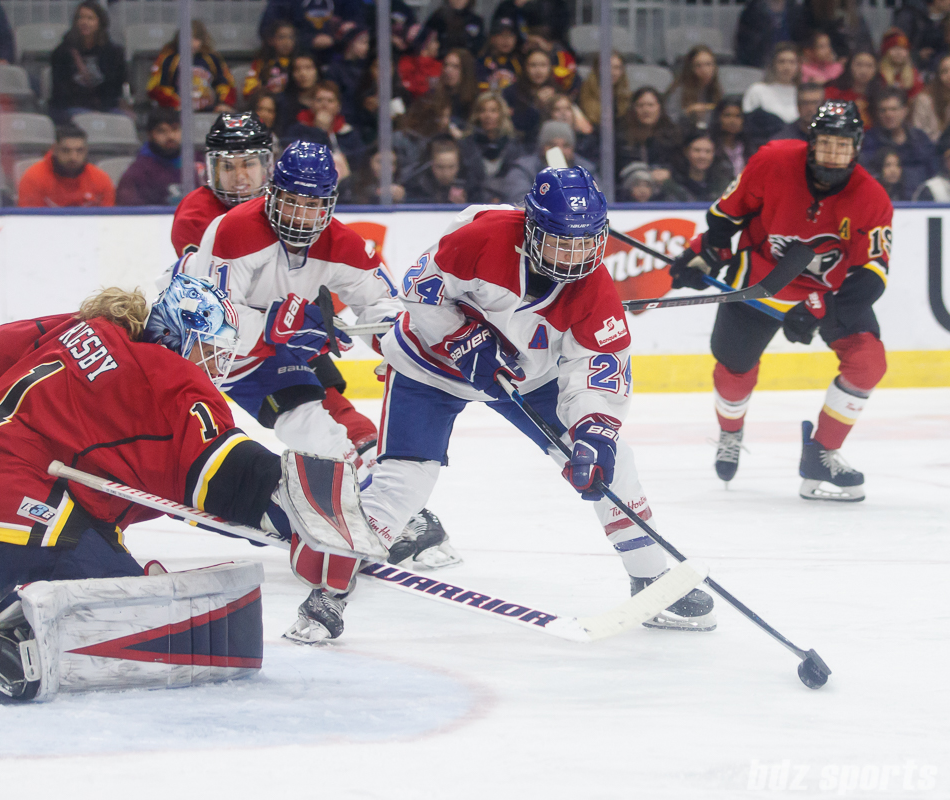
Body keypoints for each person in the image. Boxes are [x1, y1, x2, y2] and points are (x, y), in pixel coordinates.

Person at [0, 276, 364, 693]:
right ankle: (23, 627)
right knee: (139, 601)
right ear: (181, 339)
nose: (212, 366)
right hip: (19, 522)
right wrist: (303, 515)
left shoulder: (79, 326)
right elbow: (229, 477)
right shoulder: (171, 378)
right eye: (208, 349)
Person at [359, 165, 716, 638]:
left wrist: (593, 433)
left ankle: (650, 575)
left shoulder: (596, 291)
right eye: (560, 242)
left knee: (613, 459)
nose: (573, 258)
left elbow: (598, 372)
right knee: (405, 483)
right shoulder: (482, 236)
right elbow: (422, 291)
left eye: (584, 243)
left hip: (526, 378)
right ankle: (348, 536)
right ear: (531, 230)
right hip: (431, 365)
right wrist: (462, 339)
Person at [184, 141, 457, 639]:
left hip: (266, 363)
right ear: (273, 195)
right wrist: (273, 322)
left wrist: (404, 349)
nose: (303, 213)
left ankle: (339, 536)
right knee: (183, 455)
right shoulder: (234, 230)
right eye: (293, 200)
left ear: (330, 203)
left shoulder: (344, 244)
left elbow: (381, 309)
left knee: (328, 447)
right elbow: (202, 318)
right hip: (196, 355)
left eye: (315, 203)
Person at [669, 101, 892, 502]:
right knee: (734, 367)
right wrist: (703, 254)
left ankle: (821, 453)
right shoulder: (774, 161)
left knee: (868, 362)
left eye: (843, 147)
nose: (833, 156)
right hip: (762, 282)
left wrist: (814, 310)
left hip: (828, 296)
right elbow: (727, 218)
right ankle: (730, 432)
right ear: (811, 143)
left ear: (857, 148)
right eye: (826, 145)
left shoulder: (872, 199)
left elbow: (872, 276)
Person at [171, 113, 274, 258]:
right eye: (227, 166)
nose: (239, 176)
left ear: (265, 166)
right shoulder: (194, 215)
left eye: (249, 164)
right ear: (214, 170)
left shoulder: (286, 205)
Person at [48, 0, 126, 124]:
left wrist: (100, 110)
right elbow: (60, 90)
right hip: (72, 107)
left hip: (105, 107)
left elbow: (115, 88)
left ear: (100, 22)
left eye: (90, 18)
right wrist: (90, 111)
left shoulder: (113, 52)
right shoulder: (63, 52)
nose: (85, 22)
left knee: (123, 120)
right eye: (81, 18)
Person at [145, 20, 237, 113]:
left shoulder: (212, 58)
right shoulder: (169, 59)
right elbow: (157, 88)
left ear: (203, 40)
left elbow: (225, 84)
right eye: (187, 38)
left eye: (196, 39)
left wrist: (223, 103)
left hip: (209, 110)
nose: (191, 43)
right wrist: (175, 103)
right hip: (177, 112)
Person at [457, 90, 530, 204]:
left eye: (493, 111)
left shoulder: (515, 146)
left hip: (508, 204)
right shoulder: (465, 145)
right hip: (473, 204)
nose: (488, 115)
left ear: (502, 114)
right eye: (482, 110)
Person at [17, 125, 115, 208]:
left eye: (79, 151)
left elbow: (108, 222)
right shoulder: (33, 178)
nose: (73, 157)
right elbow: (29, 222)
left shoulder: (101, 179)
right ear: (54, 149)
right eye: (66, 150)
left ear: (86, 151)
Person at [116, 107, 197, 206]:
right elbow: (131, 214)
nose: (170, 136)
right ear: (150, 135)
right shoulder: (137, 173)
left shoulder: (196, 162)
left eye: (175, 129)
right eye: (162, 131)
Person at [861, 86, 940, 185]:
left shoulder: (920, 138)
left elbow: (934, 171)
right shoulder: (869, 140)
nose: (888, 114)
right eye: (883, 110)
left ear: (905, 110)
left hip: (920, 197)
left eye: (894, 109)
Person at [285, 81, 366, 167]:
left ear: (338, 106)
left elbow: (357, 163)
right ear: (312, 104)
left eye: (330, 101)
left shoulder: (349, 133)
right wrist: (319, 131)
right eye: (319, 100)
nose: (324, 105)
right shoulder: (298, 130)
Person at [257, 0, 363, 61]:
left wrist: (337, 39)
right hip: (294, 63)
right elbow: (267, 30)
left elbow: (361, 26)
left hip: (339, 61)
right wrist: (308, 40)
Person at [616, 87, 680, 180]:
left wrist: (669, 173)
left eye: (650, 105)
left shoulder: (672, 134)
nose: (646, 110)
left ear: (659, 107)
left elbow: (680, 166)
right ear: (633, 108)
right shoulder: (621, 135)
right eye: (640, 105)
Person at [742, 42, 801, 139]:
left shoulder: (803, 93)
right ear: (773, 64)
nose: (787, 67)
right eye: (781, 61)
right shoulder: (757, 90)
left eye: (792, 62)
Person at [503, 47, 558, 146]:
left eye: (543, 65)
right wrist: (536, 105)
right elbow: (515, 126)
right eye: (533, 65)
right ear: (525, 68)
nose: (538, 70)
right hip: (521, 144)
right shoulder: (510, 92)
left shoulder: (558, 91)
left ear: (550, 67)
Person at [665, 46, 724, 126]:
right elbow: (669, 119)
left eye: (708, 64)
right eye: (698, 65)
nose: (704, 70)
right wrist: (688, 112)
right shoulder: (679, 91)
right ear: (690, 68)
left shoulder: (717, 91)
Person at [824, 49, 883, 127]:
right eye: (859, 64)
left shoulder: (881, 96)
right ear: (849, 66)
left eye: (869, 66)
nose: (863, 71)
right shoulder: (833, 92)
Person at [735, 0, 803, 68]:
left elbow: (802, 41)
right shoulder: (752, 11)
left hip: (792, 63)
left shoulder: (797, 10)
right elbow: (745, 48)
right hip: (760, 65)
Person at [403, 135, 470, 203]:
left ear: (459, 165)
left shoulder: (470, 184)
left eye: (451, 167)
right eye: (440, 167)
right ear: (431, 165)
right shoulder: (417, 187)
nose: (446, 173)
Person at [671, 130, 733, 202]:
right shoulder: (674, 179)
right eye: (697, 150)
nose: (702, 156)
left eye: (708, 151)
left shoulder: (723, 182)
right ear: (686, 152)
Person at [242, 20, 295, 99]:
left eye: (291, 37)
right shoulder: (261, 62)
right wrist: (268, 91)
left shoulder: (299, 62)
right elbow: (249, 91)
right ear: (271, 40)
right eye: (281, 37)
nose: (287, 42)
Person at [892, 0, 950, 71]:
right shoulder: (910, 15)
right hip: (910, 69)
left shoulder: (947, 20)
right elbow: (896, 45)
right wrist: (917, 55)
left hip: (940, 67)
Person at [420, 0, 486, 57]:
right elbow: (422, 39)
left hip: (466, 63)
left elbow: (479, 46)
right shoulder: (438, 17)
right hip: (440, 60)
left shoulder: (475, 21)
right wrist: (429, 47)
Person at [712, 97, 760, 174]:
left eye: (737, 116)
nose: (732, 121)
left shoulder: (749, 148)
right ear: (718, 118)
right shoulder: (711, 146)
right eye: (727, 115)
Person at [909, 53, 950, 140]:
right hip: (931, 149)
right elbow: (918, 133)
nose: (949, 75)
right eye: (944, 71)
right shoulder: (925, 99)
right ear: (938, 75)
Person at [476, 18, 523, 92]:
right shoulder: (481, 62)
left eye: (510, 35)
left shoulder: (519, 62)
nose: (506, 40)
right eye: (501, 35)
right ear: (492, 38)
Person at [438, 47, 480, 129]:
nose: (448, 70)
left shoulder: (475, 102)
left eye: (455, 67)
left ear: (466, 71)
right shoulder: (434, 97)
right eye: (446, 65)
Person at [877, 28, 923, 100]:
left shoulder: (914, 73)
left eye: (903, 48)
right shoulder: (878, 73)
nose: (899, 52)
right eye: (894, 48)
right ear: (886, 52)